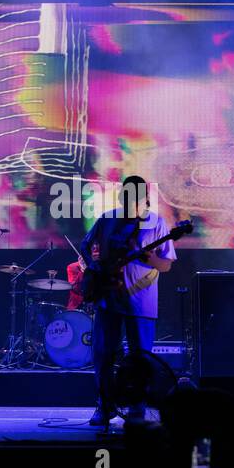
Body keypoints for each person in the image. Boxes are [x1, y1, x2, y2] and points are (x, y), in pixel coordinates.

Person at [80, 176, 175, 426]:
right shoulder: (107, 219)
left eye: (134, 199)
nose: (129, 203)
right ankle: (104, 406)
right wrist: (94, 268)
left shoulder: (157, 223)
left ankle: (137, 406)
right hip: (108, 298)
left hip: (141, 301)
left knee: (140, 357)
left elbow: (165, 265)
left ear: (145, 199)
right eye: (125, 197)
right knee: (102, 354)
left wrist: (150, 259)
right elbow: (85, 245)